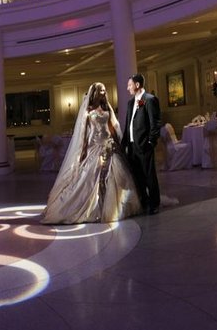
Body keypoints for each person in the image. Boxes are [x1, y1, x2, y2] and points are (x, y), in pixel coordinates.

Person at [42, 82, 142, 224]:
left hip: (109, 144)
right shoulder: (88, 110)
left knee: (115, 175)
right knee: (90, 178)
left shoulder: (107, 108)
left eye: (104, 90)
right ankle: (94, 208)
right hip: (94, 146)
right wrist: (82, 151)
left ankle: (114, 207)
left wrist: (117, 143)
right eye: (101, 90)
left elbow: (112, 127)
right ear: (94, 92)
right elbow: (84, 133)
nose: (103, 93)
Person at [121, 74, 162, 216]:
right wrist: (124, 144)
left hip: (145, 145)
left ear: (137, 85)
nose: (127, 88)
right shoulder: (130, 102)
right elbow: (128, 125)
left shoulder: (150, 100)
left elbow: (155, 123)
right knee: (137, 177)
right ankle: (144, 202)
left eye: (129, 85)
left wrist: (151, 142)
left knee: (149, 176)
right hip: (132, 147)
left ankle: (154, 204)